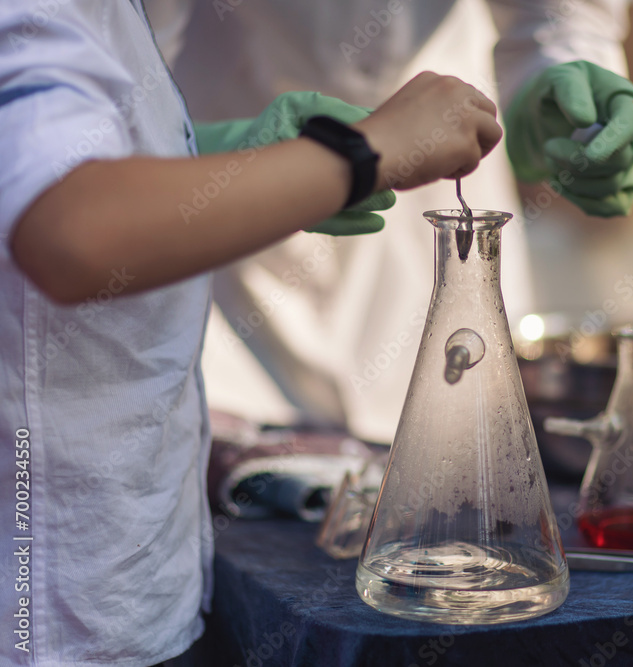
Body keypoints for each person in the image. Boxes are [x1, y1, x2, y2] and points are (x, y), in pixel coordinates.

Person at [0, 1, 502, 664]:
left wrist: (244, 154)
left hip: (125, 595)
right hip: (47, 625)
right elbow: (68, 230)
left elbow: (67, 154)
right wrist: (363, 153)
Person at [147, 0, 633, 444]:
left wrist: (562, 74)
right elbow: (121, 90)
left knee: (455, 481)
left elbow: (557, 14)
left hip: (430, 212)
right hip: (217, 243)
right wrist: (231, 155)